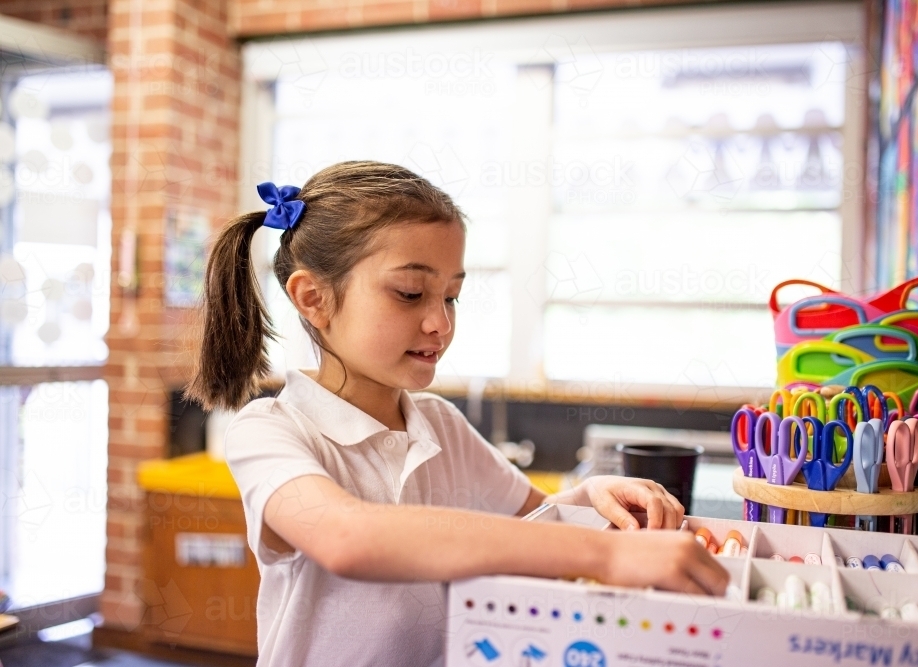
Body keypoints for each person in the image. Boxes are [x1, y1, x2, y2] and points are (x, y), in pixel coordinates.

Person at [187, 161, 729, 667]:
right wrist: (604, 555)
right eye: (409, 293)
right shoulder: (270, 430)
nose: (440, 324)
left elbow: (534, 522)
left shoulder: (439, 422)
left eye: (451, 297)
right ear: (314, 299)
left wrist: (588, 497)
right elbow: (349, 538)